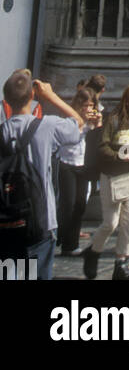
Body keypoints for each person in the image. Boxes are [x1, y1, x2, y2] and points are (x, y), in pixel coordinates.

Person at [0, 70, 84, 279]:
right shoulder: (47, 126)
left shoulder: (2, 131)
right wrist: (50, 96)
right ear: (32, 96)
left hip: (7, 222)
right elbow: (79, 123)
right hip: (40, 221)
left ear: (6, 101)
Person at [84, 83, 129, 281]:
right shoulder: (113, 120)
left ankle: (121, 264)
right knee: (110, 222)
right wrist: (120, 156)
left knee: (127, 223)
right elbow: (102, 147)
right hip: (111, 177)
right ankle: (93, 252)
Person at [56, 86, 100, 256]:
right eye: (85, 106)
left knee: (81, 204)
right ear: (78, 105)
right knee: (68, 204)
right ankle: (59, 236)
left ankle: (71, 244)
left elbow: (96, 140)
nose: (88, 109)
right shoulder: (70, 119)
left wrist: (96, 125)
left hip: (83, 164)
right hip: (67, 163)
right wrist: (82, 124)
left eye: (91, 106)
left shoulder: (91, 122)